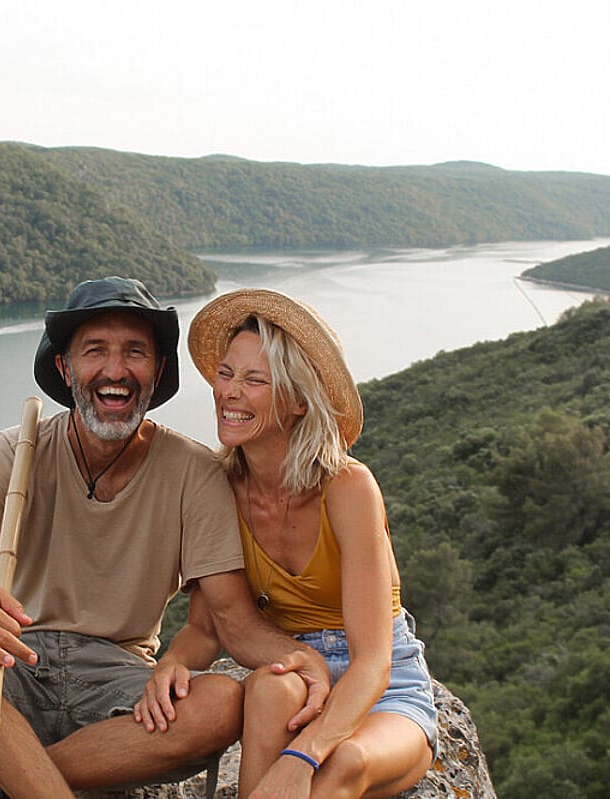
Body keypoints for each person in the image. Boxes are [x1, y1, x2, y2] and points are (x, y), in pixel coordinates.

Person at [0, 277, 331, 799]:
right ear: (65, 368)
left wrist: (300, 657)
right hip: (15, 665)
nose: (116, 370)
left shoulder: (194, 472)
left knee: (222, 701)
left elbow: (232, 621)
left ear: (156, 372)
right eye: (95, 351)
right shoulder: (10, 453)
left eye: (135, 352)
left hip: (118, 684)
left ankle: (8, 779)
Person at [136, 288, 437, 798]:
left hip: (383, 691)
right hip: (290, 673)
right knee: (272, 688)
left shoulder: (347, 487)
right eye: (226, 374)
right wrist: (171, 665)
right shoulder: (218, 488)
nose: (229, 391)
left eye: (255, 380)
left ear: (298, 400)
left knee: (340, 764)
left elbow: (373, 663)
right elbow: (207, 628)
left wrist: (302, 755)